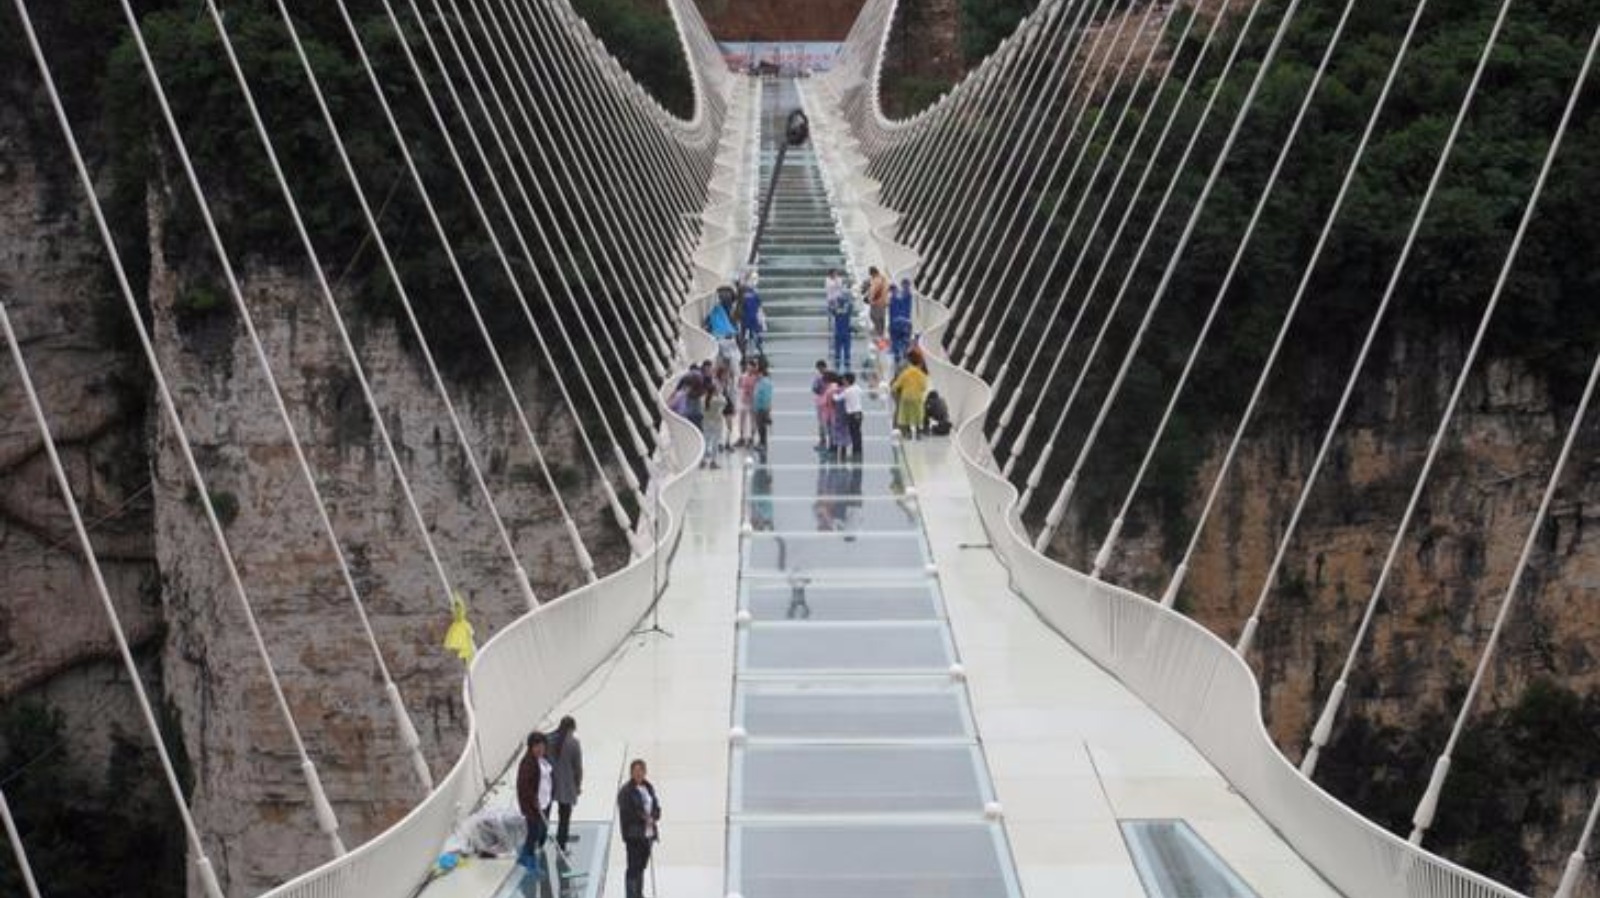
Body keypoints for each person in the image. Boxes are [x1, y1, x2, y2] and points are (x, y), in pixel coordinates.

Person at [617, 759, 661, 898]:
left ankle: (639, 894)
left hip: (648, 835)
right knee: (633, 868)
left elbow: (656, 808)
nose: (638, 773)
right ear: (631, 773)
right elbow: (627, 813)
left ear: (645, 772)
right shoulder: (626, 791)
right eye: (635, 771)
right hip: (634, 835)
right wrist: (644, 818)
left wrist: (653, 816)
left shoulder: (648, 788)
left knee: (641, 867)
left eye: (641, 770)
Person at [515, 731, 553, 875]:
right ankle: (530, 862)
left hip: (544, 802)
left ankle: (524, 856)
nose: (540, 749)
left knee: (536, 832)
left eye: (542, 746)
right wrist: (533, 799)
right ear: (531, 747)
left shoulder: (542, 759)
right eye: (537, 747)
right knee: (533, 834)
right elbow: (524, 787)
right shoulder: (528, 764)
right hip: (532, 807)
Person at [548, 716, 583, 852]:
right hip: (566, 786)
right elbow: (577, 768)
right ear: (572, 728)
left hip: (549, 784)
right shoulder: (573, 743)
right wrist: (578, 785)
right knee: (564, 817)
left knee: (545, 814)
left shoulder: (548, 740)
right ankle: (561, 845)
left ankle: (540, 841)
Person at [892, 348, 930, 438]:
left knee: (905, 414)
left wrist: (894, 389)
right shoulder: (920, 373)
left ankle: (906, 432)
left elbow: (897, 382)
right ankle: (918, 432)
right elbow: (924, 386)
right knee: (918, 414)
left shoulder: (905, 371)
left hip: (905, 395)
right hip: (917, 397)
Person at [827, 268, 852, 369]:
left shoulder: (837, 311)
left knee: (838, 353)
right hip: (846, 334)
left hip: (838, 334)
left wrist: (832, 303)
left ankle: (837, 366)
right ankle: (847, 366)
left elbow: (830, 309)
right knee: (847, 352)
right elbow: (850, 305)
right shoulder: (847, 311)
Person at [752, 358, 775, 454]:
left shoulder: (765, 383)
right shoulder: (759, 382)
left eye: (757, 374)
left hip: (762, 408)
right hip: (758, 408)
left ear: (760, 373)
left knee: (762, 428)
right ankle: (761, 443)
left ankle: (763, 444)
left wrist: (767, 410)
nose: (756, 376)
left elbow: (767, 397)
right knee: (760, 427)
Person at [889, 278, 914, 364]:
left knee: (897, 343)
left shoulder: (895, 299)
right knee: (903, 342)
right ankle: (903, 357)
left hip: (897, 324)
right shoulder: (907, 297)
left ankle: (899, 358)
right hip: (903, 324)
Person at [841, 372, 865, 458]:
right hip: (859, 413)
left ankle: (856, 450)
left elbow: (838, 398)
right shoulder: (857, 388)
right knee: (857, 432)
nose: (843, 381)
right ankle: (858, 449)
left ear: (847, 381)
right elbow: (861, 393)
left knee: (853, 432)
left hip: (851, 414)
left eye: (844, 380)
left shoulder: (847, 391)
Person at [736, 358, 758, 447]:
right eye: (748, 366)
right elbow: (739, 386)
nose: (749, 368)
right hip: (743, 400)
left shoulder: (756, 377)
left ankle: (751, 438)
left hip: (753, 401)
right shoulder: (743, 376)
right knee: (742, 420)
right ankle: (741, 437)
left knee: (752, 420)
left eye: (751, 366)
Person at [865, 267, 889, 338]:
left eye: (871, 274)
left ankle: (879, 333)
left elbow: (875, 290)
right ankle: (880, 332)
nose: (870, 276)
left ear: (873, 273)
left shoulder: (877, 280)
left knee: (875, 316)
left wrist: (870, 299)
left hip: (877, 302)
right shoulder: (883, 278)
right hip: (882, 301)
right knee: (880, 317)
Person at [740, 284, 765, 353]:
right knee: (757, 332)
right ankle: (760, 346)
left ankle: (744, 348)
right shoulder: (755, 295)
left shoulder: (743, 297)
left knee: (745, 333)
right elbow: (759, 304)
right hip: (754, 317)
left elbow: (741, 307)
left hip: (746, 318)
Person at [811, 360, 830, 449]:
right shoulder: (831, 376)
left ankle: (823, 441)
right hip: (827, 402)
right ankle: (827, 442)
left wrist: (821, 392)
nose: (819, 370)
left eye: (819, 368)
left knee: (823, 423)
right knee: (826, 423)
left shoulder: (819, 378)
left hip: (823, 402)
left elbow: (815, 389)